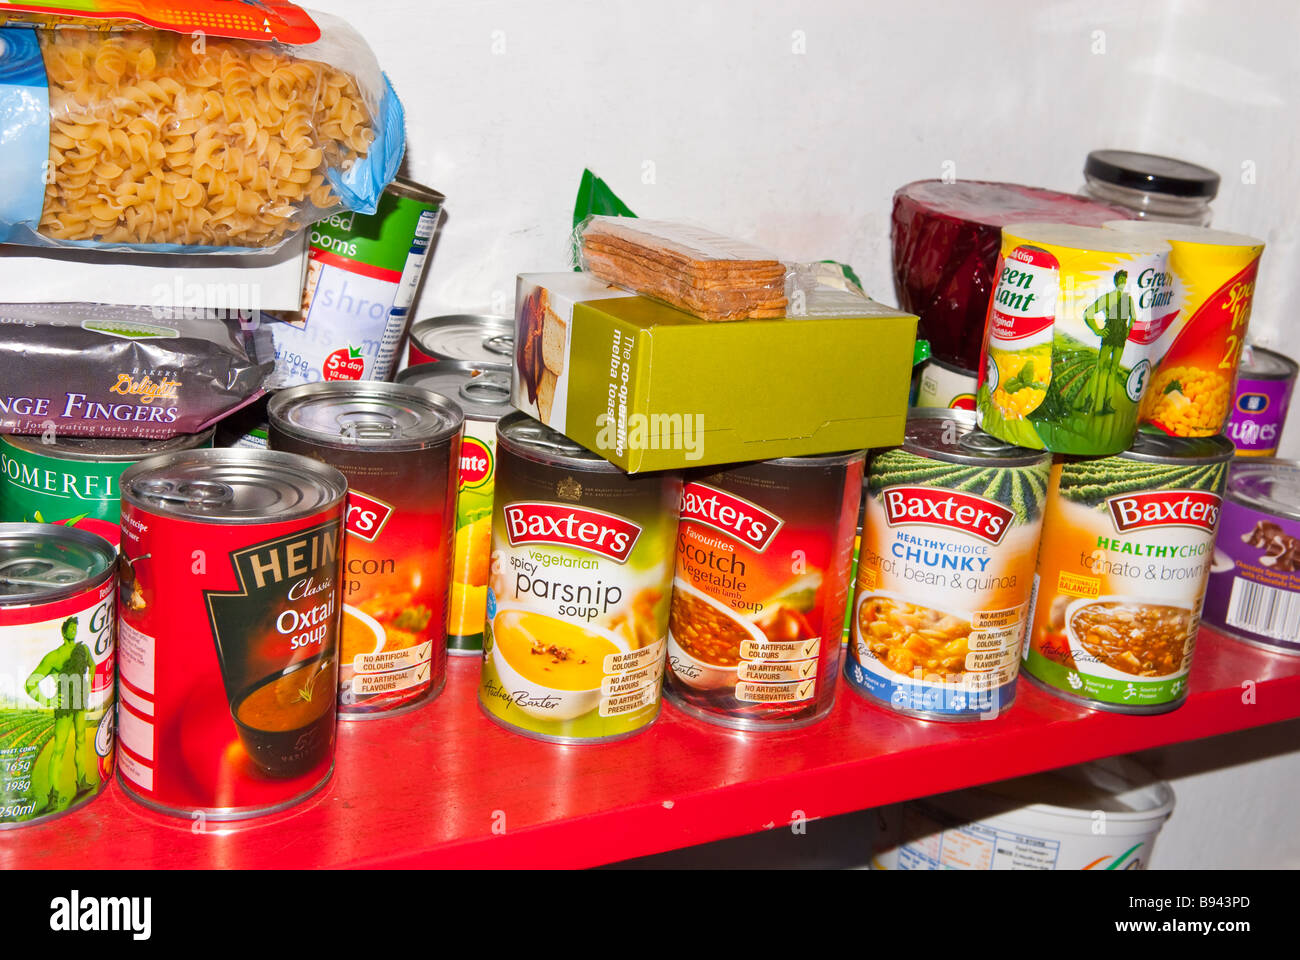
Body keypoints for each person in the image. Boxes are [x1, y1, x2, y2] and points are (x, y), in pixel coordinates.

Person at [24, 616, 94, 811]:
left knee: (81, 740)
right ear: (64, 632)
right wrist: (48, 700)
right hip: (64, 704)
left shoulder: (83, 649)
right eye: (70, 628)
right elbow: (30, 683)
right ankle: (54, 796)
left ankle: (82, 783)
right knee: (59, 748)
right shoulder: (53, 656)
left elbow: (93, 665)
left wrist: (89, 684)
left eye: (75, 628)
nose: (73, 631)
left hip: (80, 699)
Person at [1081, 270, 1137, 414]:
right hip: (1110, 333)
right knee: (1100, 367)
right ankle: (1089, 402)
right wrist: (1097, 330)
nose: (1122, 282)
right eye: (1120, 279)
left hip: (1119, 336)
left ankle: (1107, 404)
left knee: (1113, 369)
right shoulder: (1107, 298)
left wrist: (1128, 331)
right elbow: (1088, 313)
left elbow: (1134, 318)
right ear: (1115, 281)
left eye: (1124, 279)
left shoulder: (1128, 299)